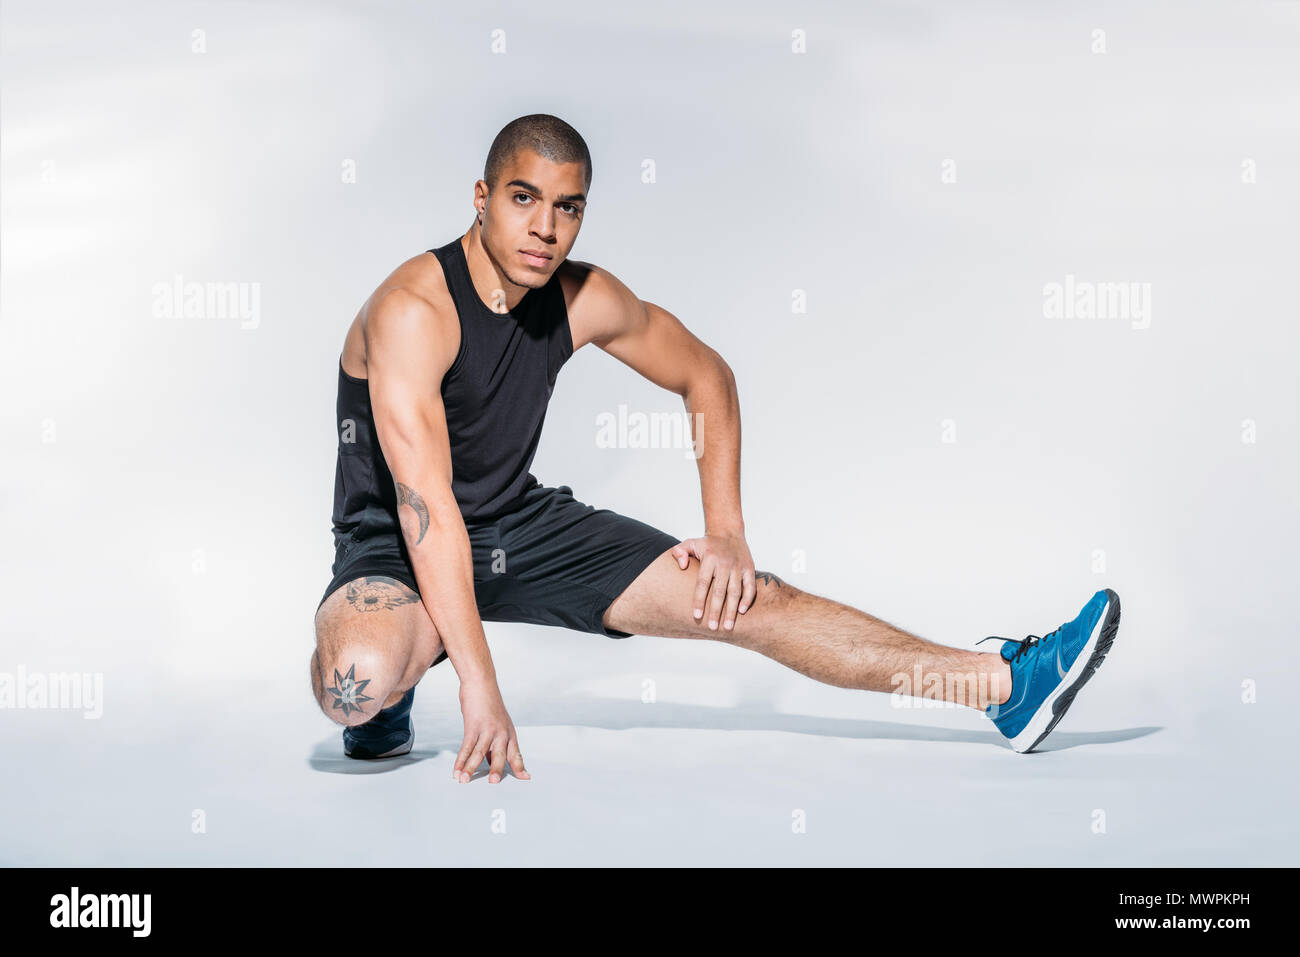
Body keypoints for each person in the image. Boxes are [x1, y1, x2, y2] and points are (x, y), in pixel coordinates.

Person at [310, 113, 1122, 782]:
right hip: (398, 543)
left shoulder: (582, 296)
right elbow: (427, 509)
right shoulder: (414, 310)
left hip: (516, 527)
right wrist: (481, 685)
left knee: (749, 600)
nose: (546, 229)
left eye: (568, 207)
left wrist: (726, 530)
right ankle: (394, 690)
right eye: (524, 199)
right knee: (359, 684)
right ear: (482, 197)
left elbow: (705, 375)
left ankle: (1004, 684)